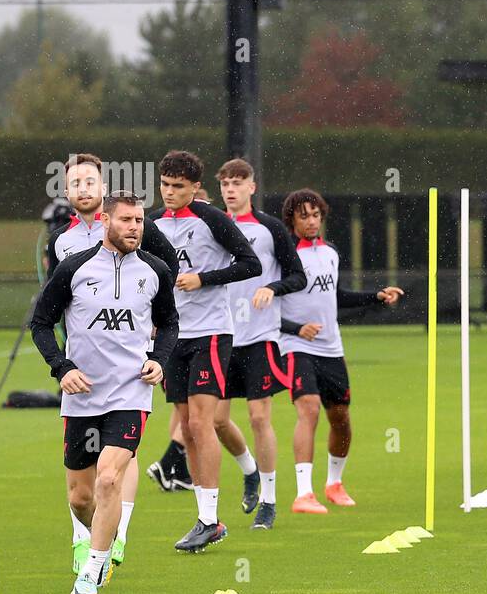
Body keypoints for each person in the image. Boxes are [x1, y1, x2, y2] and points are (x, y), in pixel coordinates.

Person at [30, 192, 179, 594]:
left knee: (110, 477)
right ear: (105, 221)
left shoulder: (156, 270)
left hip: (131, 392)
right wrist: (62, 368)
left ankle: (92, 571)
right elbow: (41, 323)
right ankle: (101, 531)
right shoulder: (73, 268)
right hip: (82, 394)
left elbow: (169, 324)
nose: (135, 228)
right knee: (81, 497)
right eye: (126, 220)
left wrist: (159, 360)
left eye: (139, 221)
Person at [147, 150, 261, 552]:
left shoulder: (212, 219)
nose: (170, 192)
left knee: (201, 422)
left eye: (179, 186)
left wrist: (204, 279)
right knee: (185, 424)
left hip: (212, 333)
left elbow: (250, 265)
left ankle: (210, 520)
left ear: (196, 187)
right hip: (172, 338)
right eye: (165, 185)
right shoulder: (152, 224)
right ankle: (205, 518)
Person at [277, 189, 404, 511]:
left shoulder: (330, 252)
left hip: (331, 348)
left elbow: (336, 296)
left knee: (341, 418)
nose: (311, 221)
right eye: (304, 216)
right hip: (295, 345)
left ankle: (334, 483)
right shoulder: (282, 256)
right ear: (291, 219)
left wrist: (375, 297)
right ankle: (304, 493)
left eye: (316, 215)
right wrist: (295, 328)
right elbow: (263, 306)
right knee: (308, 409)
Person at [213, 159, 307, 530]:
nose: (230, 190)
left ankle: (268, 500)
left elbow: (298, 276)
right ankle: (249, 470)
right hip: (221, 334)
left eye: (238, 183)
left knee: (258, 416)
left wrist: (272, 287)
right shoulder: (213, 226)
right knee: (217, 421)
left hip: (260, 336)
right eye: (225, 184)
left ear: (252, 187)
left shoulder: (270, 229)